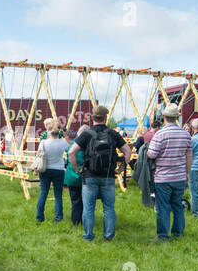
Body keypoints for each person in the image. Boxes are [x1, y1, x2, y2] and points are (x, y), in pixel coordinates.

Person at [71, 104, 128, 242]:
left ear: (93, 117)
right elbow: (127, 151)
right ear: (106, 117)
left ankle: (88, 237)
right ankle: (108, 237)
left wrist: (77, 169)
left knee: (89, 208)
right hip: (108, 176)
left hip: (89, 176)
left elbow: (71, 152)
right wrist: (121, 168)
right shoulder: (113, 134)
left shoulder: (86, 134)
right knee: (109, 208)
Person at [147, 103, 191, 241]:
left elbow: (152, 154)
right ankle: (178, 233)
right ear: (177, 118)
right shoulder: (186, 134)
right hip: (179, 176)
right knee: (177, 205)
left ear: (164, 117)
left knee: (163, 207)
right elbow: (189, 156)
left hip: (163, 177)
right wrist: (187, 173)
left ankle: (163, 235)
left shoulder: (160, 134)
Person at [35, 119, 70, 223]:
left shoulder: (43, 142)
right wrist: (66, 135)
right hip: (58, 170)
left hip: (45, 169)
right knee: (58, 195)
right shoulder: (63, 143)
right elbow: (71, 148)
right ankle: (58, 218)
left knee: (43, 193)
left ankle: (39, 217)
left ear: (49, 130)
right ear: (59, 131)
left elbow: (39, 155)